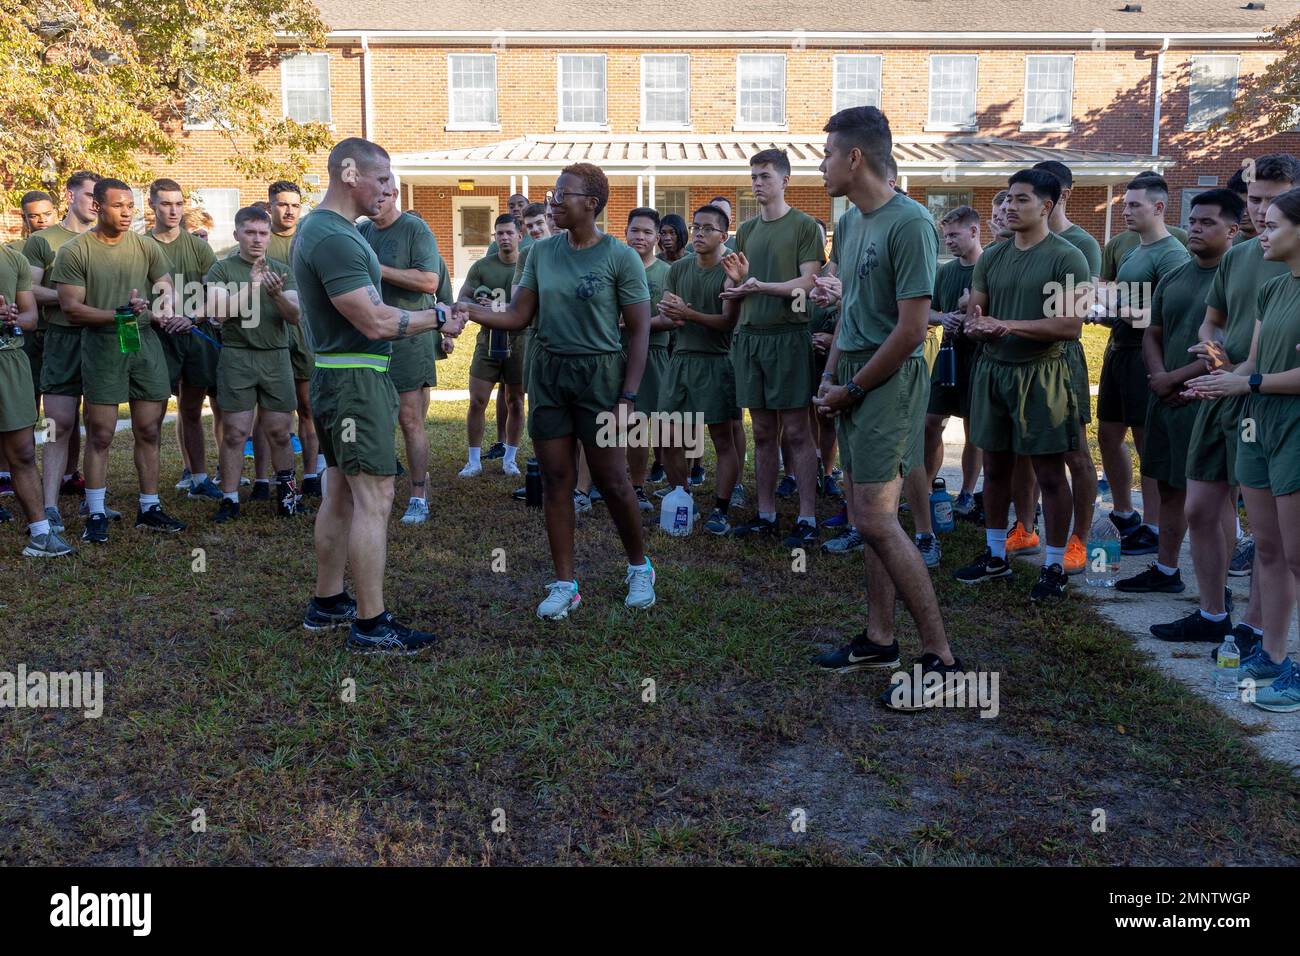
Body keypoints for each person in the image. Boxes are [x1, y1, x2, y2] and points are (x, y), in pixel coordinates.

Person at [454, 162, 657, 620]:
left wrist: (627, 398)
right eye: (553, 194)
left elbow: (639, 331)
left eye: (563, 195)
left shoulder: (619, 257)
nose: (553, 202)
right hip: (549, 374)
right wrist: (467, 309)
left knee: (613, 480)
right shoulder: (540, 253)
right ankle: (566, 583)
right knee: (556, 481)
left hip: (601, 379)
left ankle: (639, 567)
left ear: (592, 203)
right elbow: (518, 317)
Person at [810, 106, 960, 710]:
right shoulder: (848, 225)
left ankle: (942, 660)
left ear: (854, 158)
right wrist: (829, 378)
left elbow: (911, 330)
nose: (818, 166)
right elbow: (849, 312)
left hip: (887, 380)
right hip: (850, 375)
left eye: (825, 154)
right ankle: (879, 638)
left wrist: (855, 388)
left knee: (874, 517)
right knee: (862, 508)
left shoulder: (911, 222)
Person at [294, 137, 465, 651]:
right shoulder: (336, 237)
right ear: (350, 175)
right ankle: (371, 624)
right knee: (375, 495)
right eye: (383, 178)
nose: (390, 189)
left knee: (340, 491)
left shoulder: (322, 228)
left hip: (336, 375)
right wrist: (437, 316)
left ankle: (328, 601)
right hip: (354, 379)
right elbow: (373, 320)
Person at [1150, 153, 1299, 647]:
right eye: (1254, 200)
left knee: (1267, 530)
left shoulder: (1287, 259)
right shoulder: (1240, 256)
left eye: (1272, 202)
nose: (1259, 211)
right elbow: (1213, 320)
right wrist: (1212, 350)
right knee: (1199, 507)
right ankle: (1213, 614)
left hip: (1267, 402)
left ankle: (1256, 629)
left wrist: (1244, 377)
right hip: (1222, 392)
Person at [1181, 185, 1300, 713]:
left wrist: (1245, 386)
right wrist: (1219, 381)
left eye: (1273, 224)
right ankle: (1273, 656)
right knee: (1270, 549)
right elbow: (1251, 366)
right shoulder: (1276, 290)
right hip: (1259, 423)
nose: (1262, 231)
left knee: (1297, 554)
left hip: (1292, 424)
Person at [953, 169, 1092, 602]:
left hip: (1044, 374)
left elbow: (1070, 325)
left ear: (1047, 206)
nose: (1010, 207)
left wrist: (1005, 324)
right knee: (995, 468)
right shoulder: (993, 256)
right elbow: (978, 312)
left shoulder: (1068, 257)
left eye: (1022, 200)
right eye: (1008, 199)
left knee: (1050, 473)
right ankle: (995, 555)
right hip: (993, 371)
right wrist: (975, 326)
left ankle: (1054, 565)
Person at [1116, 190, 1241, 595]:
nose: (1196, 229)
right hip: (1166, 397)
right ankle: (1166, 570)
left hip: (1210, 400)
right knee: (1169, 486)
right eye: (1193, 221)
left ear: (1233, 230)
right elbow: (1153, 332)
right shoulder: (1175, 276)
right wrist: (1159, 376)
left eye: (1208, 223)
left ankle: (1217, 598)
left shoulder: (1237, 278)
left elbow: (1231, 347)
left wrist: (1177, 379)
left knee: (1215, 498)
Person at [51, 177, 189, 543]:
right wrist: (120, 314)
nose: (127, 213)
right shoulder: (75, 251)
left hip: (143, 343)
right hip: (102, 345)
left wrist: (161, 309)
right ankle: (95, 511)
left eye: (130, 206)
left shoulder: (145, 247)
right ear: (97, 207)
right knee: (101, 433)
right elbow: (71, 309)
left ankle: (150, 507)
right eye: (117, 205)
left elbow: (164, 288)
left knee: (149, 429)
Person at [722, 148, 825, 548]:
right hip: (749, 338)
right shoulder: (745, 231)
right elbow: (734, 288)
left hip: (789, 337)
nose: (757, 183)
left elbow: (809, 284)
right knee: (763, 431)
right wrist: (735, 284)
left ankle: (807, 517)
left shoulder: (803, 227)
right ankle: (765, 514)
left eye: (764, 176)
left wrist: (762, 286)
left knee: (798, 431)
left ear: (785, 180)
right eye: (753, 176)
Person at [1096, 172, 1190, 557]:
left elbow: (1170, 313)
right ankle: (1126, 513)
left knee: (1146, 441)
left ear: (1159, 207)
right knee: (1107, 434)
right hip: (1118, 349)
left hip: (1145, 357)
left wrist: (1116, 309)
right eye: (1124, 205)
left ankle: (1152, 526)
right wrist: (1101, 310)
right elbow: (1125, 303)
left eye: (1134, 205)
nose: (1126, 212)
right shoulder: (1134, 250)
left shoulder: (1171, 254)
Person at [205, 206, 304, 521]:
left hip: (275, 356)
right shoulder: (222, 270)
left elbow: (296, 316)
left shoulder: (281, 268)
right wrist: (252, 285)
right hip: (237, 356)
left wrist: (276, 295)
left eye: (263, 233)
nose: (257, 239)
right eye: (250, 232)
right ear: (237, 235)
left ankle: (287, 496)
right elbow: (218, 313)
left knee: (279, 431)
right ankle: (230, 499)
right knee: (234, 432)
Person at [357, 186, 442, 523]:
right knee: (374, 418)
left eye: (382, 195)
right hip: (371, 335)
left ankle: (419, 495)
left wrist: (378, 269)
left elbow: (430, 281)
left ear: (393, 193)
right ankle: (375, 490)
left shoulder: (414, 229)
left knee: (410, 419)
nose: (376, 202)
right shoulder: (361, 231)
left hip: (409, 336)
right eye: (371, 195)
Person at [1034, 160, 1102, 575]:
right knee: (1027, 453)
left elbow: (1072, 314)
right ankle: (1025, 527)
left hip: (1061, 359)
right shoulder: (1016, 241)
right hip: (1021, 359)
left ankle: (1082, 537)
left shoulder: (1080, 245)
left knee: (1075, 450)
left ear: (1062, 195)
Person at [658, 203, 742, 533]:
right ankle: (683, 497)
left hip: (716, 362)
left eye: (707, 228)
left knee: (722, 439)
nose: (699, 234)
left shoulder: (730, 270)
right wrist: (678, 314)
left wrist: (689, 314)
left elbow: (726, 323)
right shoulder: (678, 269)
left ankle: (720, 509)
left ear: (724, 235)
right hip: (680, 359)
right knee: (668, 434)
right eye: (695, 227)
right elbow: (668, 312)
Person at [25, 171, 99, 529]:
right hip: (60, 338)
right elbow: (30, 290)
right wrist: (72, 297)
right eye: (88, 195)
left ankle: (91, 497)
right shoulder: (44, 239)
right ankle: (49, 503)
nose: (95, 203)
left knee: (98, 423)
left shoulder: (108, 239)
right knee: (58, 422)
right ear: (70, 196)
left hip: (100, 338)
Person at [146, 178, 221, 501]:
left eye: (178, 203)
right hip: (156, 336)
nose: (173, 210)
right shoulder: (140, 245)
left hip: (192, 334)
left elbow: (216, 293)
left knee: (191, 409)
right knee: (151, 416)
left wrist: (191, 316)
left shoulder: (198, 246)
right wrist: (159, 315)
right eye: (165, 203)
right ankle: (149, 490)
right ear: (151, 205)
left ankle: (199, 477)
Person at [0, 240, 72, 555]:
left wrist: (11, 316)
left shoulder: (13, 259)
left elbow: (30, 319)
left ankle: (41, 534)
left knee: (24, 452)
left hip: (8, 361)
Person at [922, 205, 984, 524]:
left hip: (980, 358)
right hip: (948, 355)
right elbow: (927, 312)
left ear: (974, 231)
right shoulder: (945, 272)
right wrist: (944, 316)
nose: (949, 241)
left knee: (975, 429)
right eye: (946, 236)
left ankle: (968, 493)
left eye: (955, 235)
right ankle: (929, 488)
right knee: (931, 421)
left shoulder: (990, 266)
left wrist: (971, 313)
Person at [458, 214, 525, 480]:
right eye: (500, 234)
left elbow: (530, 307)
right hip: (488, 340)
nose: (504, 238)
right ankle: (473, 460)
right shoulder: (482, 267)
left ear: (520, 235)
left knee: (516, 401)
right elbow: (462, 298)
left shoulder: (527, 266)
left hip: (520, 340)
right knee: (477, 400)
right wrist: (477, 301)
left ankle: (510, 458)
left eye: (509, 233)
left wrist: (496, 307)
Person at [267, 180, 321, 500]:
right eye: (282, 204)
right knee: (276, 412)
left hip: (305, 334)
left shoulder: (307, 241)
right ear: (270, 205)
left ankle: (312, 475)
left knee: (308, 407)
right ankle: (276, 478)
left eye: (295, 205)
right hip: (272, 335)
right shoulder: (260, 240)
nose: (289, 210)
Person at [623, 208, 674, 510]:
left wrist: (635, 325)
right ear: (626, 233)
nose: (639, 237)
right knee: (617, 425)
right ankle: (611, 482)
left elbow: (671, 319)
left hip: (654, 354)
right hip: (617, 354)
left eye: (646, 232)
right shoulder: (615, 265)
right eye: (634, 231)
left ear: (657, 237)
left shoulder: (666, 272)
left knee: (648, 423)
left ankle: (639, 486)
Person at [1226, 166, 1257, 245]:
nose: (1243, 213)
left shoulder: (1281, 244)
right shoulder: (1221, 244)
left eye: (1248, 204)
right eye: (1237, 204)